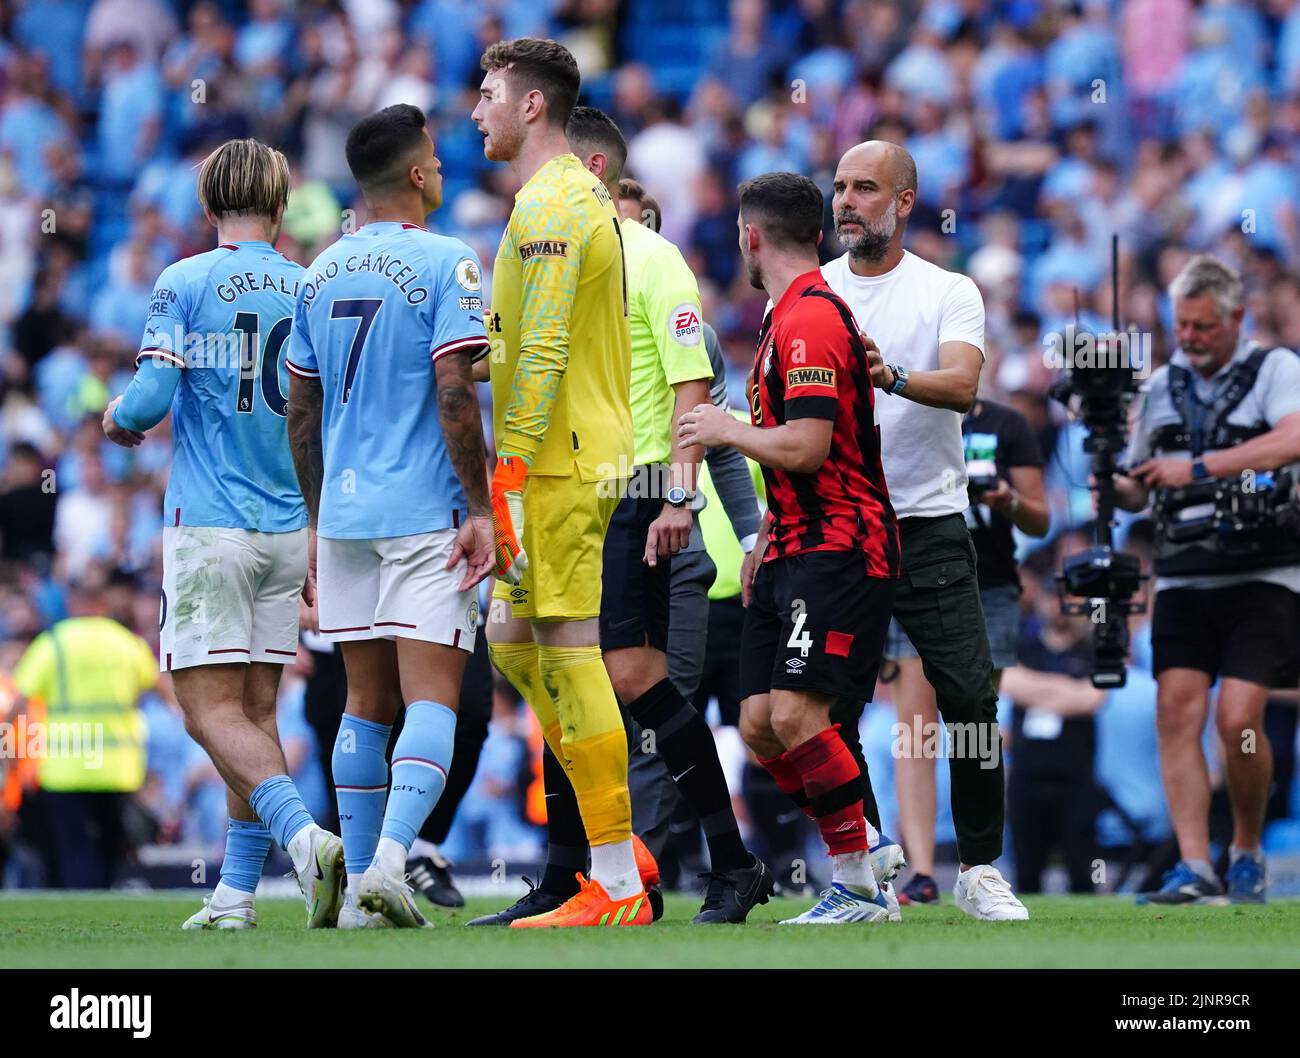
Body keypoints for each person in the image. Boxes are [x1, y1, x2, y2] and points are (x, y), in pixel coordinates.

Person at [470, 106, 772, 927]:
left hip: (631, 493)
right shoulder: (557, 250)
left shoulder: (650, 257)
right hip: (573, 485)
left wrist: (679, 493)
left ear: (588, 167)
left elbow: (692, 384)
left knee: (622, 678)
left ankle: (700, 862)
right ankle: (584, 869)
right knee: (546, 660)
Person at [102, 138, 344, 930]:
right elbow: (321, 416)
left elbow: (149, 398)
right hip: (286, 528)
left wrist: (117, 419)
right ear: (279, 209)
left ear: (207, 207)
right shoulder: (308, 287)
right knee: (256, 717)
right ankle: (235, 897)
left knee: (205, 714)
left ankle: (306, 840)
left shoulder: (184, 281)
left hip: (210, 526)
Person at [286, 103, 495, 928]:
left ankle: (357, 906)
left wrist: (312, 517)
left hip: (342, 514)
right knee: (434, 700)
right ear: (416, 174)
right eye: (437, 159)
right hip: (424, 512)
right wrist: (477, 507)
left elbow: (300, 414)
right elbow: (454, 391)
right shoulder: (451, 261)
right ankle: (389, 862)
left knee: (363, 705)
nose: (444, 169)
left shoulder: (319, 271)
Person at [679, 171, 900, 924]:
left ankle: (857, 884)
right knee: (760, 723)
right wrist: (765, 532)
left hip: (840, 546)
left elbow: (806, 447)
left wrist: (722, 427)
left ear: (750, 236)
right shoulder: (785, 315)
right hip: (792, 546)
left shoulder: (806, 320)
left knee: (803, 718)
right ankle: (866, 842)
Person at [821, 140, 1028, 919]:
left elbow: (965, 385)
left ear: (905, 202)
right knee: (832, 709)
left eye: (865, 187)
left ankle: (977, 868)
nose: (846, 201)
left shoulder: (950, 290)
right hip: (841, 523)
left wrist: (891, 375)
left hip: (932, 523)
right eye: (840, 186)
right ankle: (867, 863)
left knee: (972, 697)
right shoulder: (810, 293)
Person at [469, 38, 650, 928]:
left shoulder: (550, 203)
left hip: (556, 461)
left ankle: (615, 880)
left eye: (489, 93)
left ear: (531, 105)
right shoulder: (567, 196)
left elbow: (540, 349)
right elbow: (532, 338)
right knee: (511, 640)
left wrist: (506, 464)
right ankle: (616, 831)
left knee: (569, 654)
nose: (477, 111)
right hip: (570, 450)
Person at [1113, 253, 1300, 904]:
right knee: (1175, 711)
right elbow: (1139, 487)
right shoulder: (1163, 383)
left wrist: (1200, 467)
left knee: (1240, 720)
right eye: (1181, 326)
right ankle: (1196, 866)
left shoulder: (1276, 369)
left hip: (1264, 571)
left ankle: (1244, 844)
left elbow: (1292, 439)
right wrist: (1115, 477)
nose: (1189, 338)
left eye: (1202, 327)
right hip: (1184, 574)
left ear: (1236, 318)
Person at [891, 396, 1049, 904]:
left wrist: (1008, 502)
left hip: (990, 585)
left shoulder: (1008, 423)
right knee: (916, 731)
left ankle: (976, 866)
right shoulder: (903, 412)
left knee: (976, 720)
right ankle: (919, 869)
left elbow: (1040, 520)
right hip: (915, 576)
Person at [11, 575, 155, 888]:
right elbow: (154, 687)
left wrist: (9, 754)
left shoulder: (54, 643)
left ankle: (82, 896)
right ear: (102, 604)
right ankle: (109, 899)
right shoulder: (128, 643)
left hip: (66, 767)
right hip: (117, 766)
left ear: (74, 604)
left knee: (73, 845)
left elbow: (19, 700)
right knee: (112, 841)